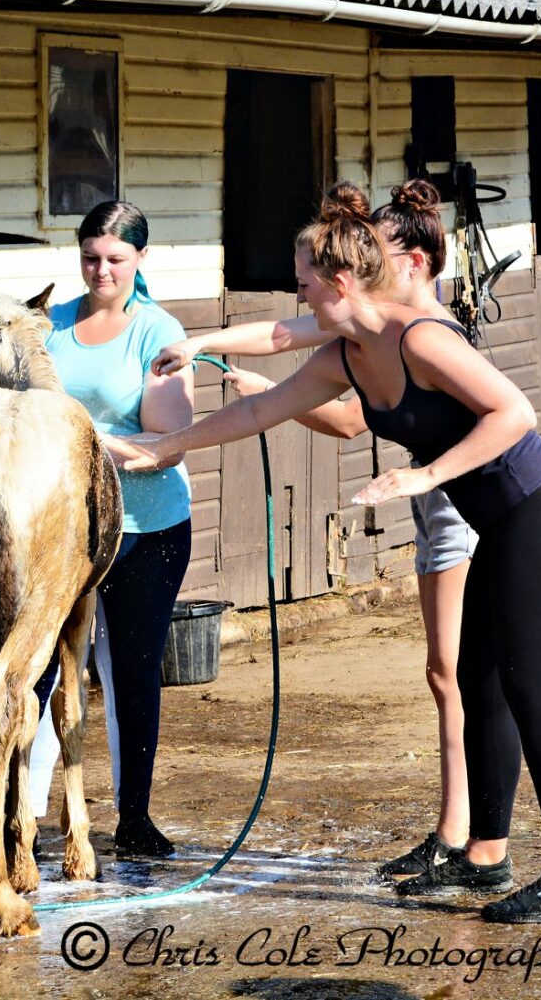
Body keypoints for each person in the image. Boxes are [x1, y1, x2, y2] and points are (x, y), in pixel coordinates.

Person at [109, 182, 541, 924]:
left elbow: (516, 411)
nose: (297, 295)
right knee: (478, 679)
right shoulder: (348, 352)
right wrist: (167, 446)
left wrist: (426, 473)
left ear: (340, 283)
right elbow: (260, 406)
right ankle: (486, 858)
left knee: (532, 687)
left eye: (305, 284)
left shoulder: (420, 336)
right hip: (501, 525)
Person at [150, 180, 474, 880]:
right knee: (446, 671)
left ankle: (468, 837)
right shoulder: (367, 323)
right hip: (429, 492)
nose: (370, 263)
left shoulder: (410, 326)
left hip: (459, 493)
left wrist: (275, 398)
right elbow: (281, 335)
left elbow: (351, 419)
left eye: (380, 250)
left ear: (412, 261)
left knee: (460, 672)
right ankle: (459, 830)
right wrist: (209, 347)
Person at [26, 200, 195, 858]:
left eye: (116, 260)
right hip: (63, 525)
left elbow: (171, 439)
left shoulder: (157, 330)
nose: (102, 270)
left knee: (133, 667)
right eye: (91, 258)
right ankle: (27, 814)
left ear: (140, 261)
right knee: (41, 667)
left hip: (145, 524)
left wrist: (86, 434)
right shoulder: (52, 327)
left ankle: (135, 815)